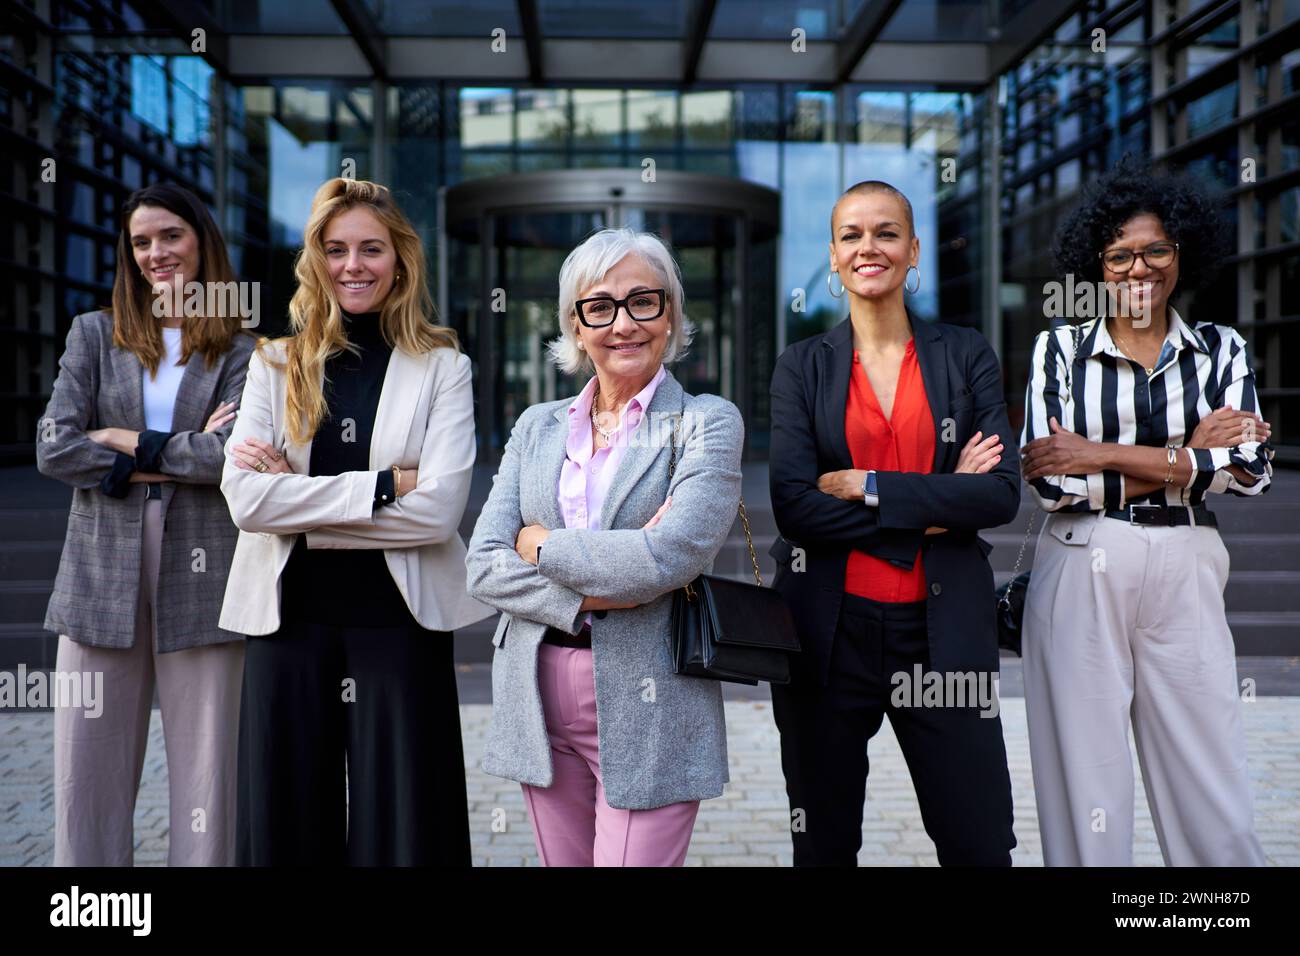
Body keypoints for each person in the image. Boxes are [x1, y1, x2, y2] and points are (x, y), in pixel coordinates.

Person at [219, 177, 491, 866]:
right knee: (282, 826)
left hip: (397, 626)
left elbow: (436, 513)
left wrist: (299, 503)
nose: (353, 265)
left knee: (407, 832)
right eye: (335, 249)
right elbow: (247, 502)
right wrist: (378, 490)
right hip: (287, 623)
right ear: (315, 258)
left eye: (371, 248)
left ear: (399, 257)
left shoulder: (444, 368)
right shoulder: (274, 364)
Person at [1020, 156, 1272, 866]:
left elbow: (1251, 471)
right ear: (1096, 264)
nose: (1140, 268)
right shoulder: (1058, 352)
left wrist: (1102, 453)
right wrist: (1188, 454)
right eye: (1121, 254)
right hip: (1080, 562)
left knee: (1210, 776)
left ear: (1181, 252)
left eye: (1156, 249)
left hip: (1187, 562)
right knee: (1085, 785)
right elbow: (1052, 486)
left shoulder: (1222, 349)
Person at [465, 227, 743, 867]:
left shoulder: (706, 421)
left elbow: (671, 558)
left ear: (670, 314)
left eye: (643, 301)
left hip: (652, 696)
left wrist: (537, 545)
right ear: (576, 324)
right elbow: (482, 564)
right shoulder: (537, 426)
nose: (624, 324)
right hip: (536, 696)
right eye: (600, 307)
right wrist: (603, 587)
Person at [768, 180, 1020, 866]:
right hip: (828, 637)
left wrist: (871, 486)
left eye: (885, 233)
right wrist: (937, 503)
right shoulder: (802, 367)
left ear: (913, 252)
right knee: (823, 847)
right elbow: (795, 508)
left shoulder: (966, 356)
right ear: (833, 255)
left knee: (980, 844)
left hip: (944, 640)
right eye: (851, 235)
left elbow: (998, 495)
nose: (867, 246)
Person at [37, 182, 254, 866]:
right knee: (86, 769)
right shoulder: (93, 335)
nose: (156, 253)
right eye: (141, 242)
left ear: (202, 243)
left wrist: (121, 439)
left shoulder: (244, 349)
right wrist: (171, 451)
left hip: (207, 569)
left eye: (170, 236)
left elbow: (231, 459)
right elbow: (55, 445)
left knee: (209, 772)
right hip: (100, 571)